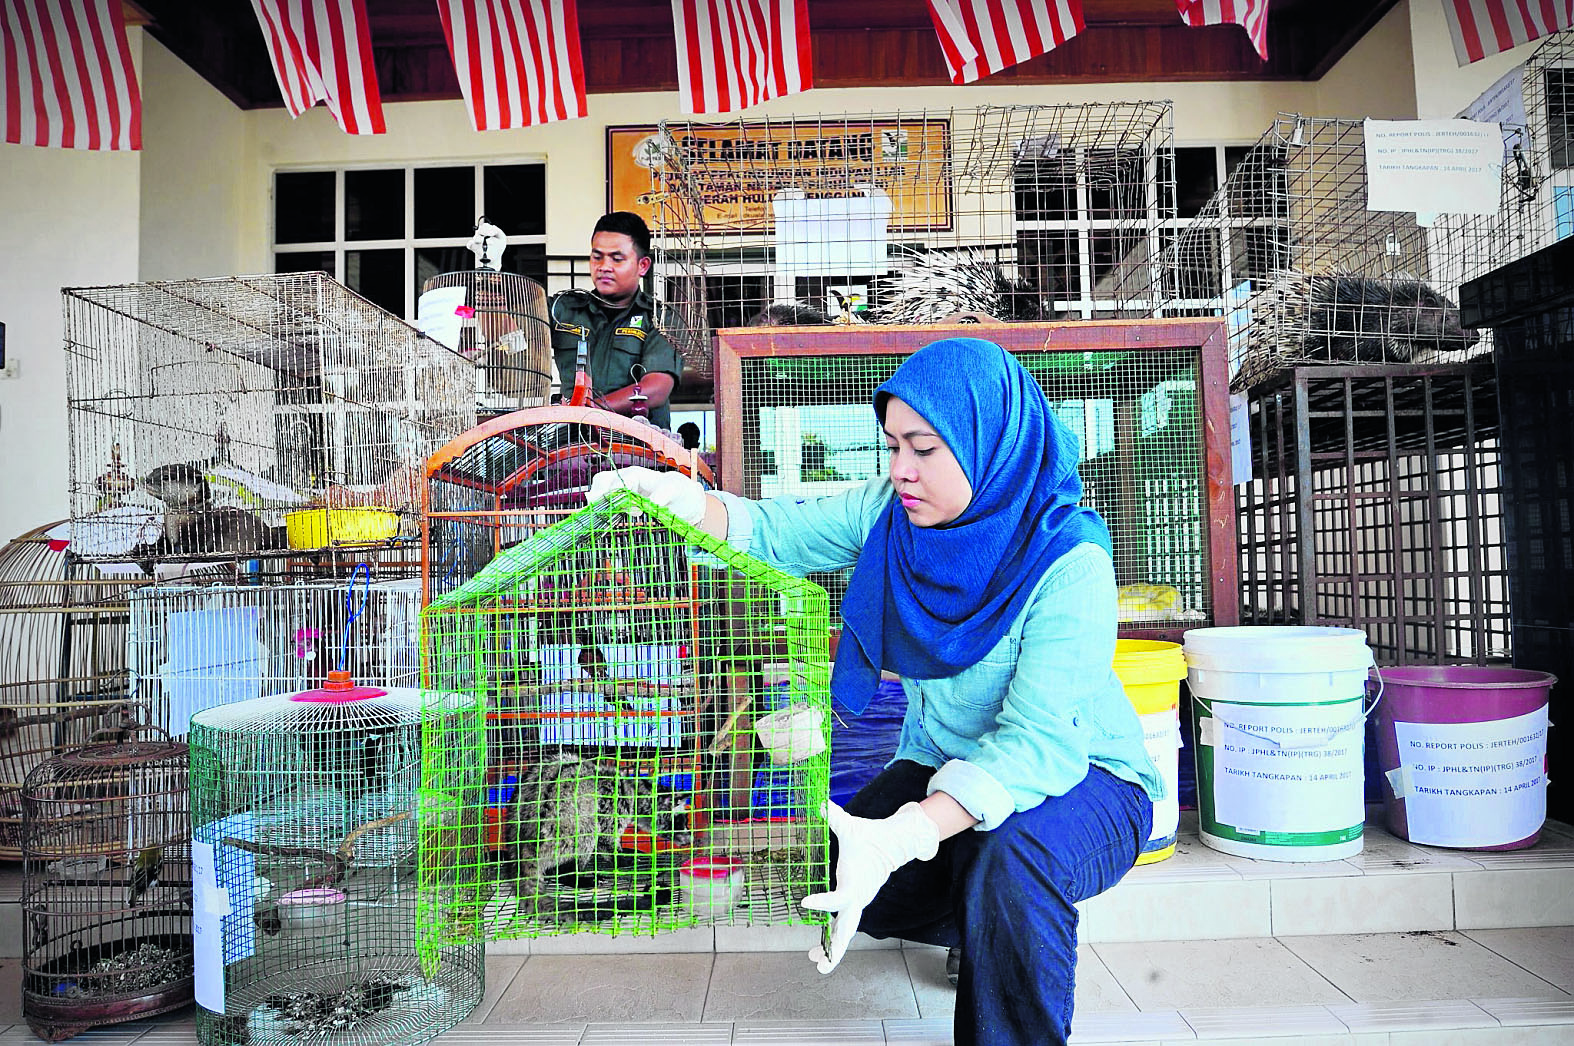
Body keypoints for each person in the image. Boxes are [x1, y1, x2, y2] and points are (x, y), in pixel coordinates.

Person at [588, 337, 1160, 1046]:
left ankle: (1006, 942)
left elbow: (1039, 743)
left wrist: (913, 831)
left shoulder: (1068, 560)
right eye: (891, 446)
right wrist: (683, 503)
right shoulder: (893, 515)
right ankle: (984, 912)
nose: (901, 470)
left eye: (923, 449)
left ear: (987, 443)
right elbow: (776, 529)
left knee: (1011, 858)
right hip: (948, 760)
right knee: (842, 866)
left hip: (1086, 778)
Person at [549, 211, 682, 429]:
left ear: (643, 266)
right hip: (570, 449)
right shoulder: (562, 309)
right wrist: (492, 289)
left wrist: (589, 412)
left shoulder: (659, 317)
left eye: (616, 258)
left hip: (639, 448)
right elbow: (516, 346)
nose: (604, 266)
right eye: (597, 256)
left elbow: (656, 388)